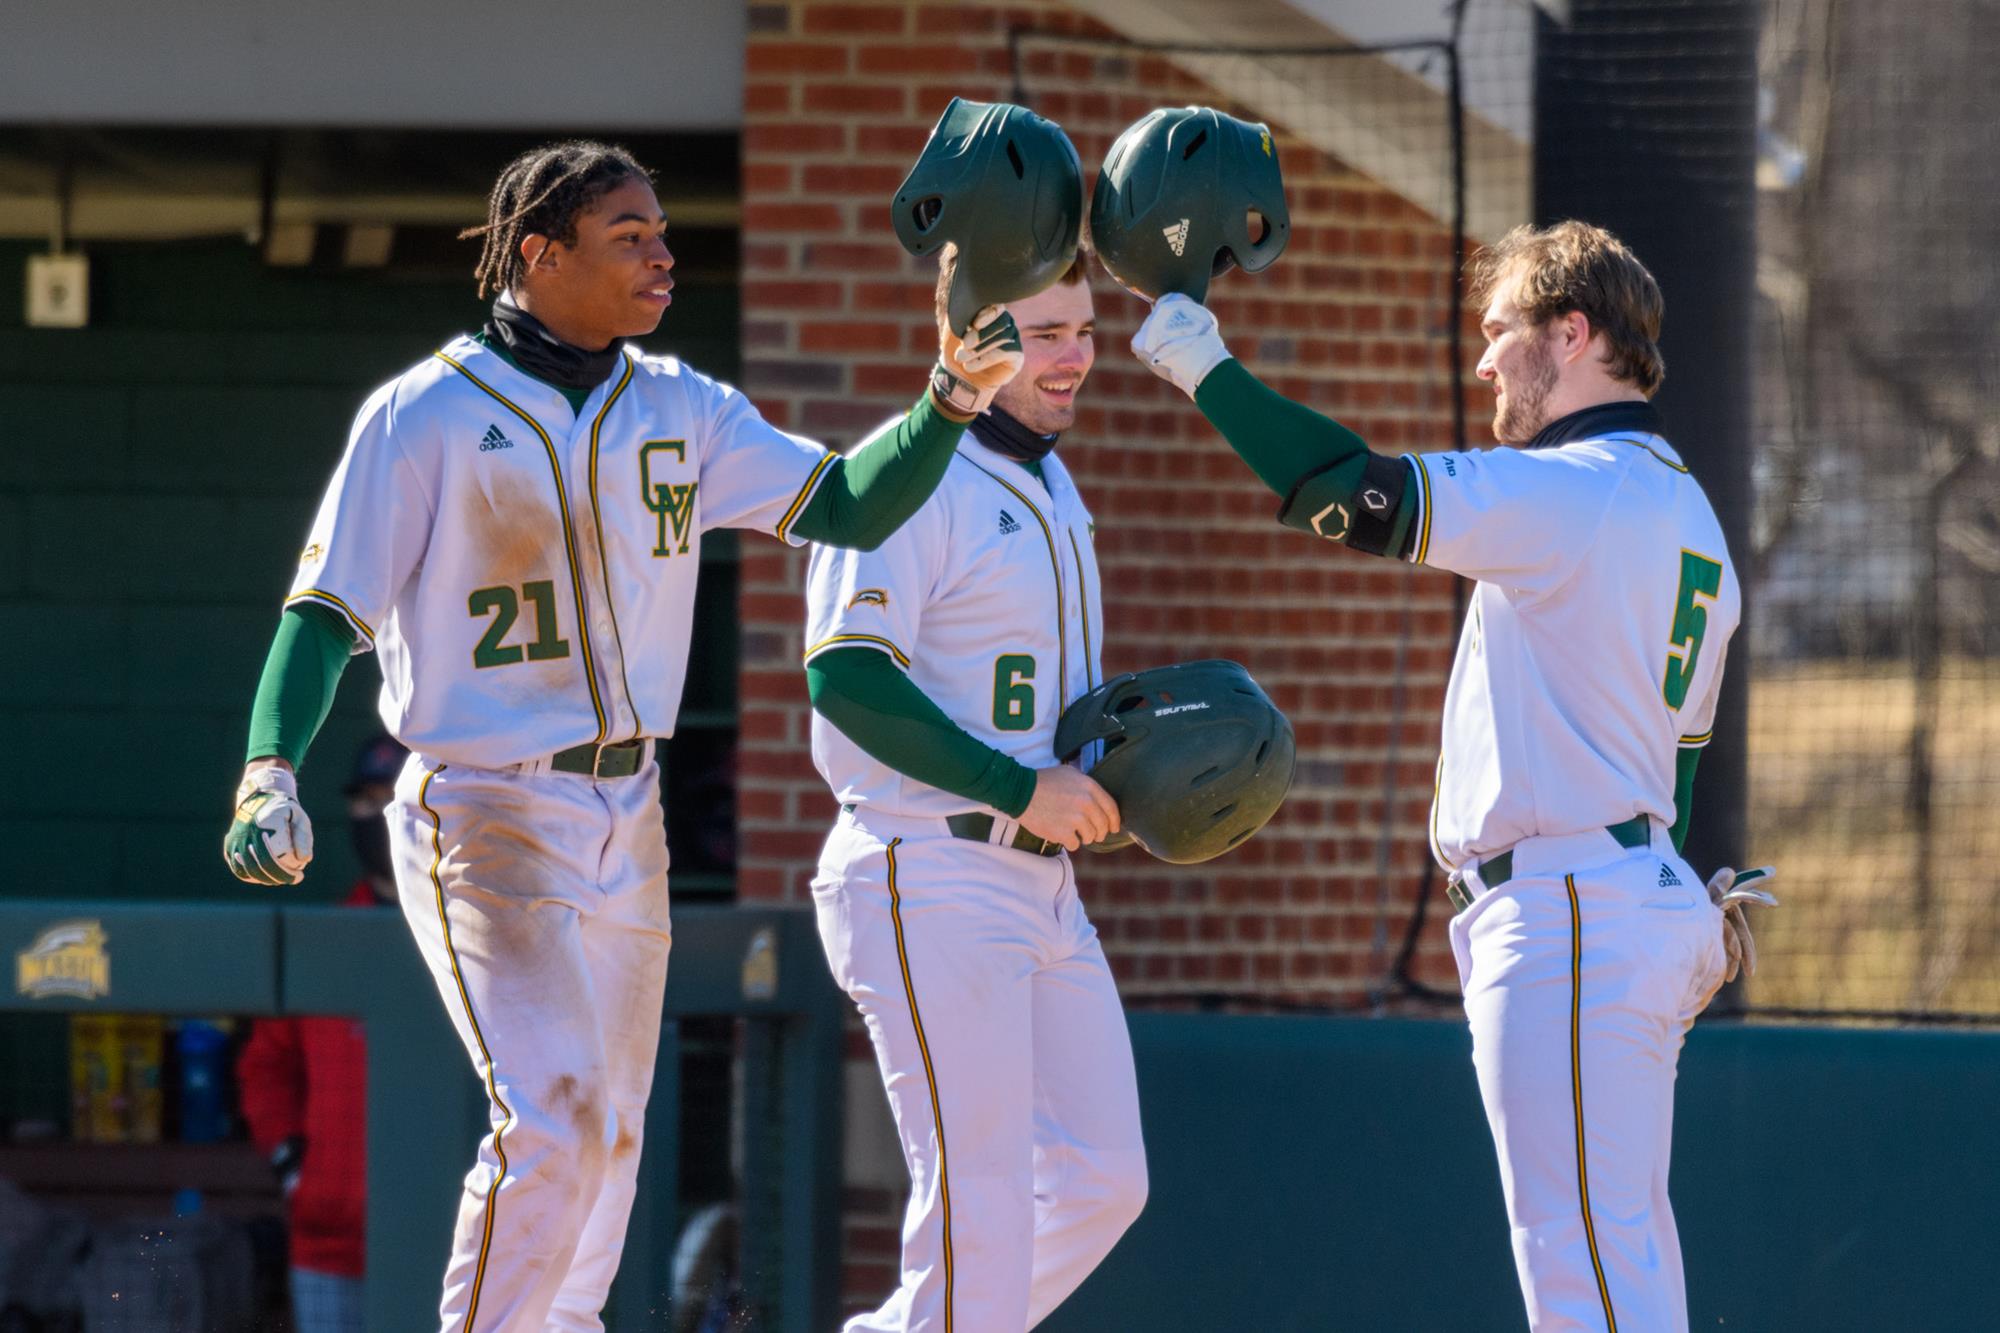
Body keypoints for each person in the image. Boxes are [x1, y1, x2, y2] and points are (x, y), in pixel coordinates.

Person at [218, 139, 1023, 1331]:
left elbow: (846, 505)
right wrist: (266, 769)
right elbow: (325, 613)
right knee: (552, 1116)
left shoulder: (681, 404)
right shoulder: (425, 411)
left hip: (626, 805)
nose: (660, 254)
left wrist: (948, 397)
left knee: (610, 1135)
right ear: (539, 253)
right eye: (628, 235)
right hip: (485, 803)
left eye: (660, 232)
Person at [1129, 220, 1775, 1330]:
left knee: (1584, 1277)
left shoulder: (1572, 488)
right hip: (1621, 897)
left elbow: (1352, 492)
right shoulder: (1691, 516)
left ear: (1571, 335)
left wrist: (1205, 366)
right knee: (1616, 1261)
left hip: (1571, 911)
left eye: (1500, 330)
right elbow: (1677, 770)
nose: (1481, 360)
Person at [803, 249, 1147, 1332]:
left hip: (1038, 879)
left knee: (1100, 1180)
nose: (1073, 357)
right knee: (979, 1211)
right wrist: (1017, 787)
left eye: (1083, 331)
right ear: (969, 338)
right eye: (1044, 334)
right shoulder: (908, 475)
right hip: (928, 865)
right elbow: (844, 678)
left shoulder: (1048, 478)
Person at [236, 732, 406, 1333]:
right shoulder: (327, 942)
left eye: (392, 800)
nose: (376, 815)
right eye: (366, 801)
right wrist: (292, 1163)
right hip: (330, 1242)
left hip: (446, 1236)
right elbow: (265, 1065)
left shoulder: (475, 940)